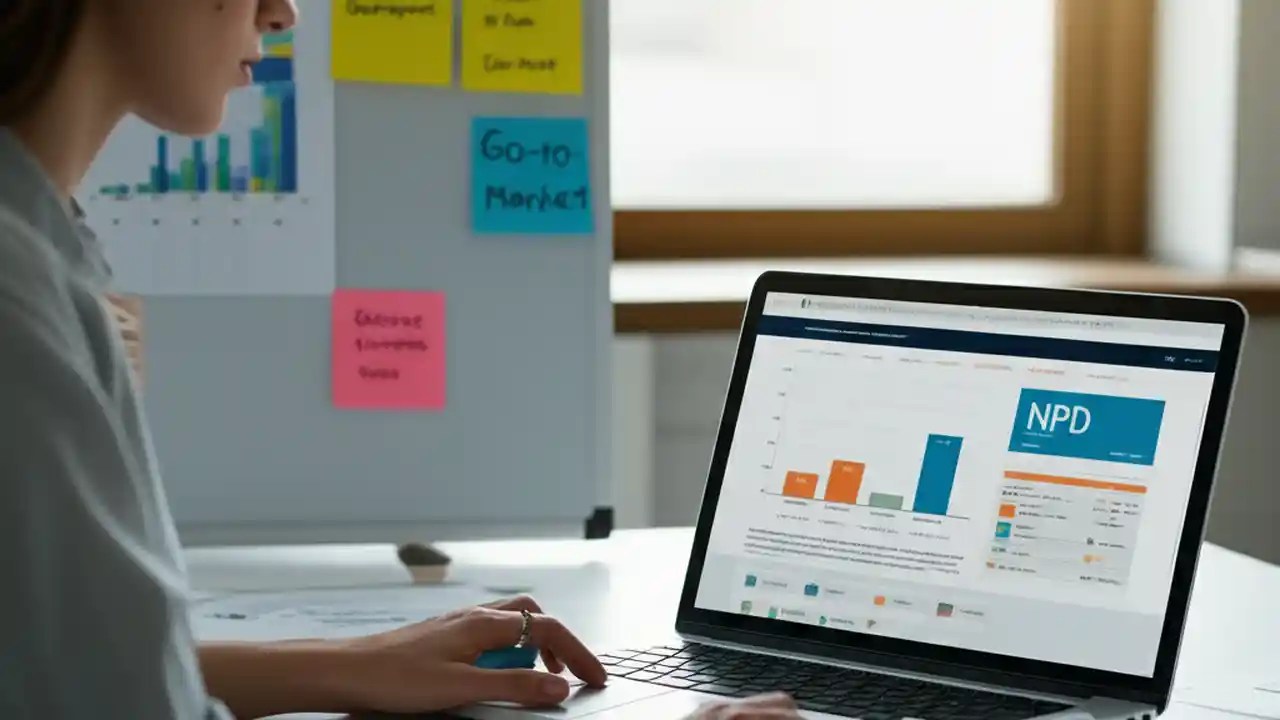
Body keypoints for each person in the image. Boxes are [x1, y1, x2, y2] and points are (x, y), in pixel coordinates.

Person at [0, 2, 803, 718]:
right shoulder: (21, 306)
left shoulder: (38, 253)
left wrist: (353, 666)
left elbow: (100, 676)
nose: (283, 15)